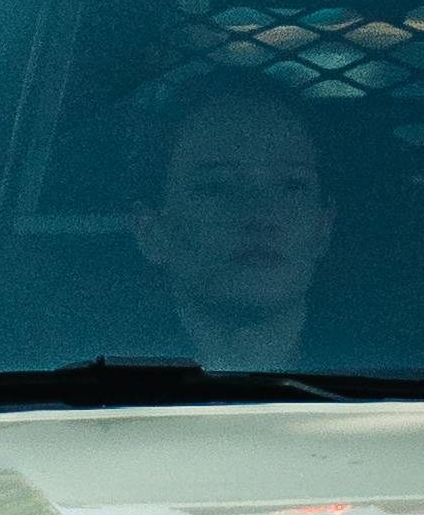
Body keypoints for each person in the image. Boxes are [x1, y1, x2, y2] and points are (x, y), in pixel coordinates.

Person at [130, 66, 334, 372]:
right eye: (217, 187)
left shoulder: (413, 391)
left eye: (292, 186)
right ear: (152, 233)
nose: (261, 214)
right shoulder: (79, 393)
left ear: (324, 227)